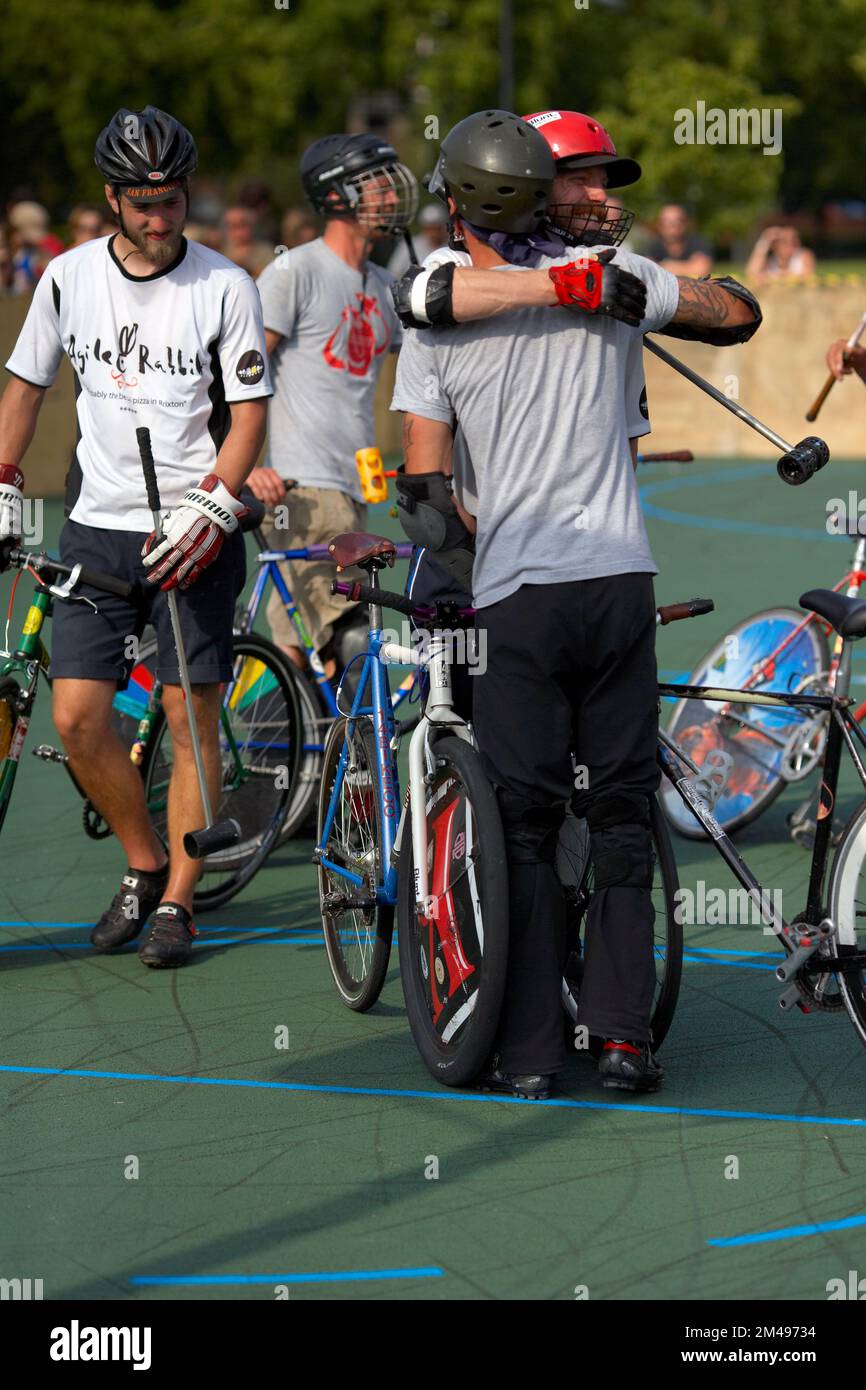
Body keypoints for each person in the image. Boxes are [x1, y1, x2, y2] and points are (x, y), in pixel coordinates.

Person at [391, 110, 761, 1100]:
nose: (599, 196)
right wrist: (614, 286)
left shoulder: (434, 315)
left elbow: (422, 495)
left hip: (517, 595)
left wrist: (473, 564)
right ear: (537, 188)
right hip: (615, 582)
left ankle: (526, 1051)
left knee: (520, 825)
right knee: (620, 818)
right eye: (582, 181)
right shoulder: (618, 281)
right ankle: (624, 1040)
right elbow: (737, 311)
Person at [0, 105, 272, 967]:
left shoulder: (225, 285)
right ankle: (144, 862)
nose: (160, 220)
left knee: (188, 716)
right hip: (97, 528)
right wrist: (3, 481)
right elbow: (25, 388)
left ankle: (180, 905)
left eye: (173, 201)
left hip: (192, 529)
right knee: (78, 718)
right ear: (113, 198)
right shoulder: (67, 277)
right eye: (143, 204)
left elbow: (250, 416)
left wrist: (217, 502)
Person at [245, 134, 416, 682]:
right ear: (337, 195)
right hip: (300, 488)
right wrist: (242, 463)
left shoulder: (386, 285)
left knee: (300, 641)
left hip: (354, 487)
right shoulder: (295, 272)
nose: (391, 195)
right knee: (344, 630)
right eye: (376, 183)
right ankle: (332, 761)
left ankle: (299, 759)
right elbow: (236, 373)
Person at [643, 202, 713, 277]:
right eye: (666, 222)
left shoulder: (698, 242)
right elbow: (645, 270)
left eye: (678, 221)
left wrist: (664, 266)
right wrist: (687, 267)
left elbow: (702, 269)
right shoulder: (652, 245)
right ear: (659, 224)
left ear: (686, 223)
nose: (672, 225)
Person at [387, 202, 450, 278]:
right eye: (430, 227)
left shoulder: (451, 247)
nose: (434, 232)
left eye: (437, 227)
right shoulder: (409, 245)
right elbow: (393, 272)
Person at [746, 224, 816, 285]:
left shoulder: (804, 255)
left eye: (793, 241)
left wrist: (772, 277)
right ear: (775, 245)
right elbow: (752, 273)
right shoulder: (771, 261)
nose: (790, 246)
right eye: (785, 242)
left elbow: (806, 275)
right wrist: (764, 242)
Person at [221, 205, 272, 279]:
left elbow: (272, 277)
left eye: (241, 225)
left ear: (252, 226)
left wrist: (247, 265)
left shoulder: (265, 251)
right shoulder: (220, 251)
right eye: (231, 225)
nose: (237, 232)